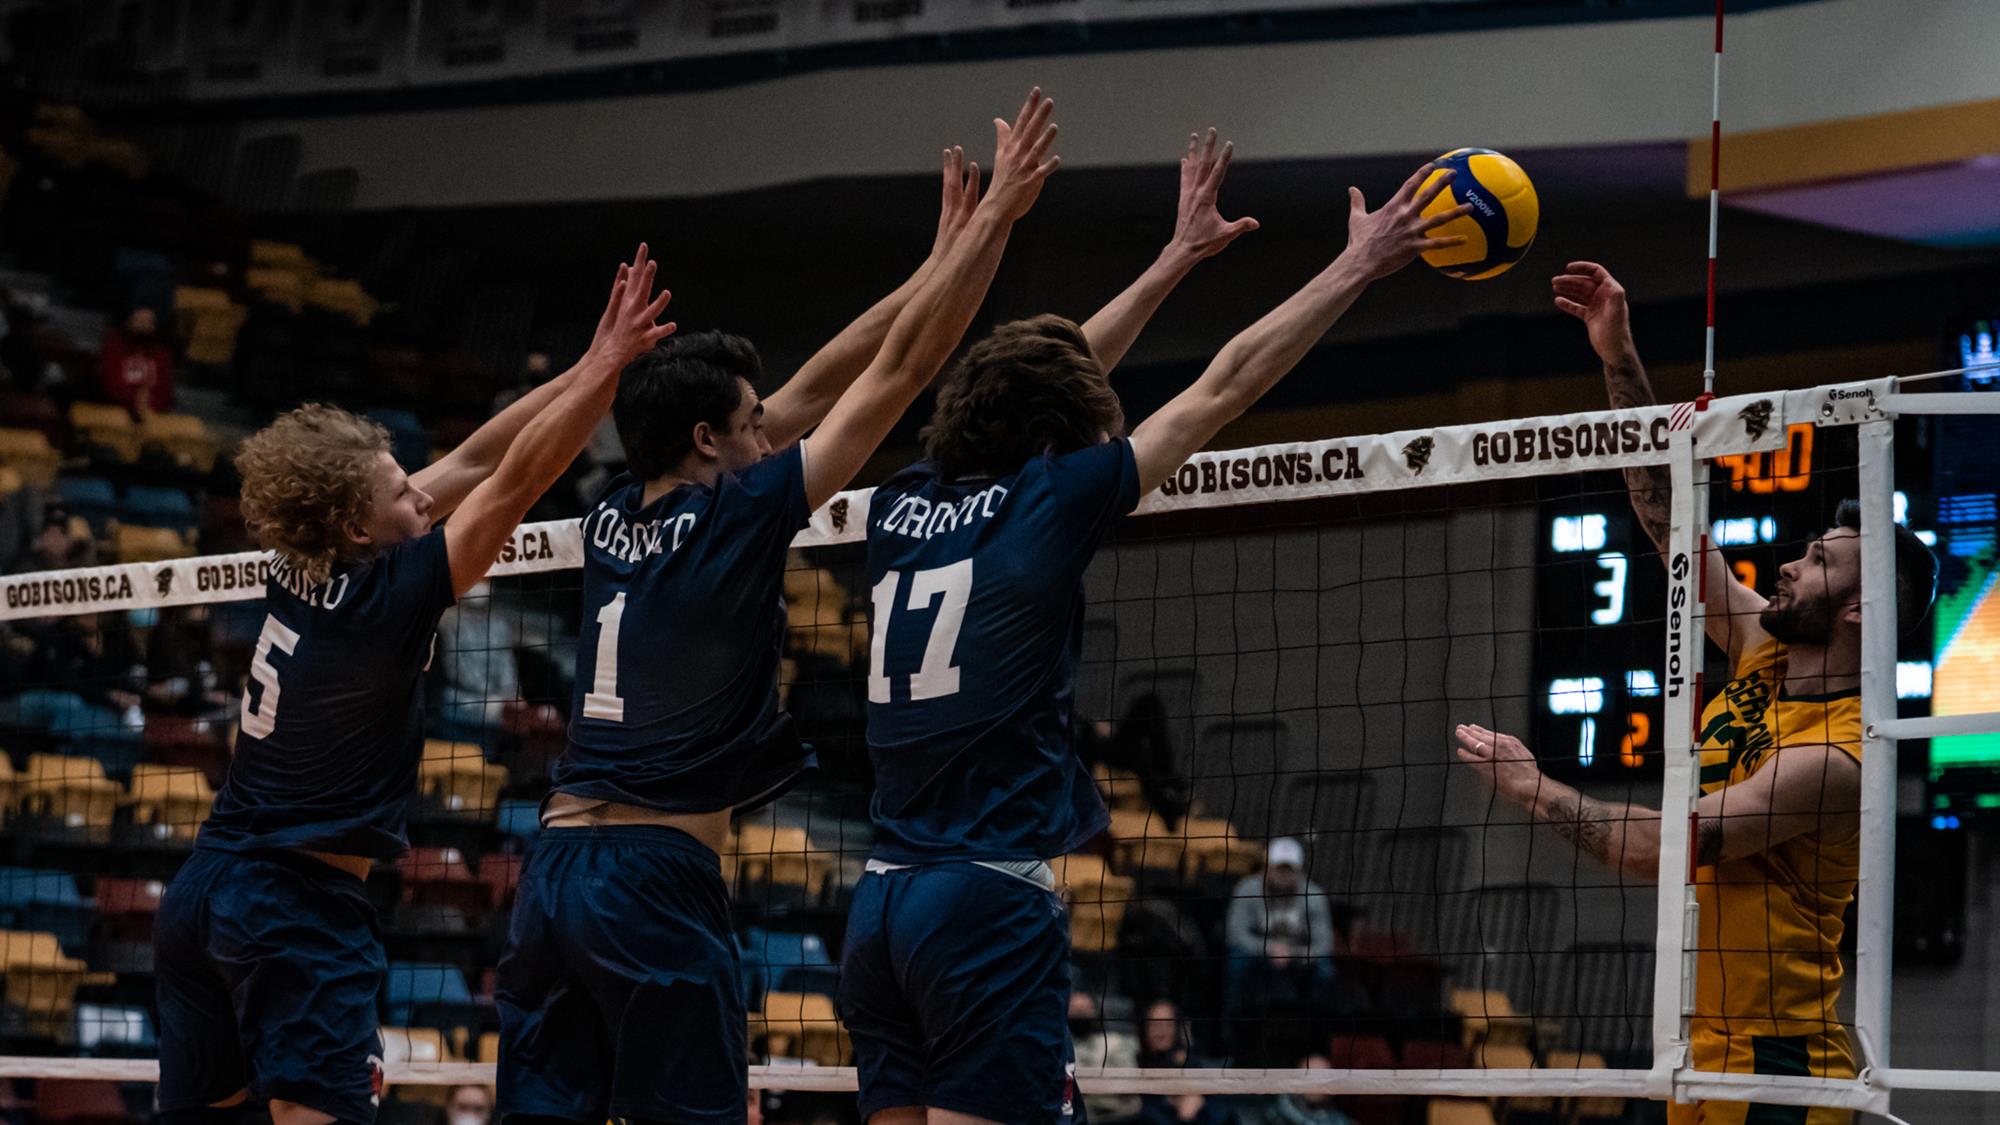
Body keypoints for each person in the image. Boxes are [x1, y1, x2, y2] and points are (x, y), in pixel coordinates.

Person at [838, 141, 1470, 1125]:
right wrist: (1354, 264)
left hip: (877, 905)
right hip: (982, 903)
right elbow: (1220, 388)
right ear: (1059, 440)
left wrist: (1174, 260)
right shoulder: (1045, 507)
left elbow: (1029, 383)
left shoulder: (897, 506)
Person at [495, 91, 1061, 1125]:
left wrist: (933, 265)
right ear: (709, 442)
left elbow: (810, 384)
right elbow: (903, 369)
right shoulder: (739, 515)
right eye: (749, 426)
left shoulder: (618, 513)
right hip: (653, 880)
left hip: (556, 867)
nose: (771, 433)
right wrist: (995, 224)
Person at [150, 246, 675, 1125]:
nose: (421, 500)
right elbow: (514, 478)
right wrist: (610, 373)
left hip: (204, 894)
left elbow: (471, 457)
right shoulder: (387, 598)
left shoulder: (303, 557)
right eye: (402, 491)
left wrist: (590, 364)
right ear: (359, 521)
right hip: (296, 909)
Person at [1454, 261, 1940, 1125]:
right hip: (1704, 1054)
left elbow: (1662, 851)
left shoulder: (1837, 755)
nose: (1792, 562)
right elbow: (1671, 522)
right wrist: (1618, 354)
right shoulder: (1760, 650)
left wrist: (1535, 789)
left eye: (1821, 560)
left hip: (1778, 1070)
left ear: (1860, 611)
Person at [1223, 838, 1336, 1028]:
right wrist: (1269, 949)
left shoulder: (1314, 896)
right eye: (1278, 868)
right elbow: (1235, 933)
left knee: (1326, 972)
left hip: (1297, 956)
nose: (1283, 875)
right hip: (1258, 952)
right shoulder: (1247, 888)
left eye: (1289, 870)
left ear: (1299, 871)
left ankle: (1318, 1034)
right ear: (1267, 868)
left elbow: (1324, 943)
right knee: (1236, 964)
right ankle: (1231, 1028)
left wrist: (1294, 954)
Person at [1071, 991, 1141, 1123]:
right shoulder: (1062, 1047)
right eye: (1074, 1011)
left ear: (1096, 1013)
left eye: (1084, 1010)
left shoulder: (1115, 1043)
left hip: (1117, 1118)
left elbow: (1128, 1085)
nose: (1079, 1016)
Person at [100, 306, 173, 416]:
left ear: (154, 326)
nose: (143, 325)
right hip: (116, 408)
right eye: (139, 320)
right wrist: (134, 399)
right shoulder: (114, 347)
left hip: (152, 411)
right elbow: (111, 383)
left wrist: (150, 403)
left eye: (148, 321)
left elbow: (165, 390)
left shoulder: (162, 354)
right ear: (129, 322)